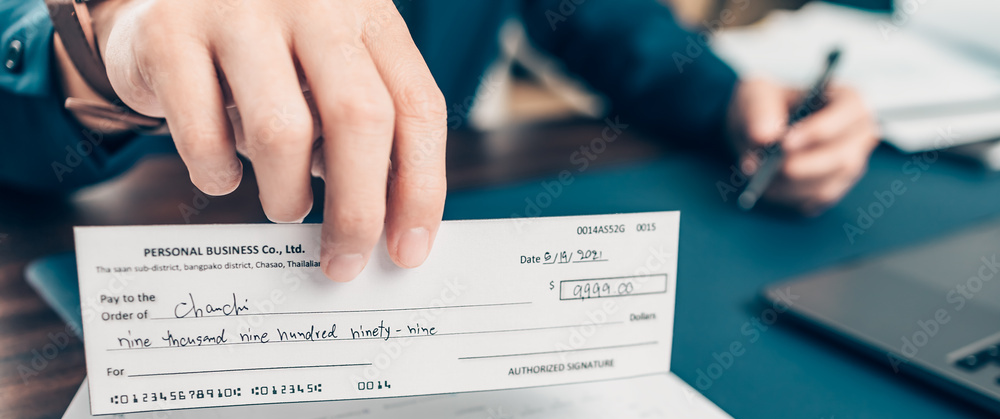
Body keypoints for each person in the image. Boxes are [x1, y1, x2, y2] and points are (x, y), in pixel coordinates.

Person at [0, 0, 878, 281]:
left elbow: (614, 27)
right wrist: (101, 42)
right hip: (119, 259)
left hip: (391, 263)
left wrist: (738, 106)